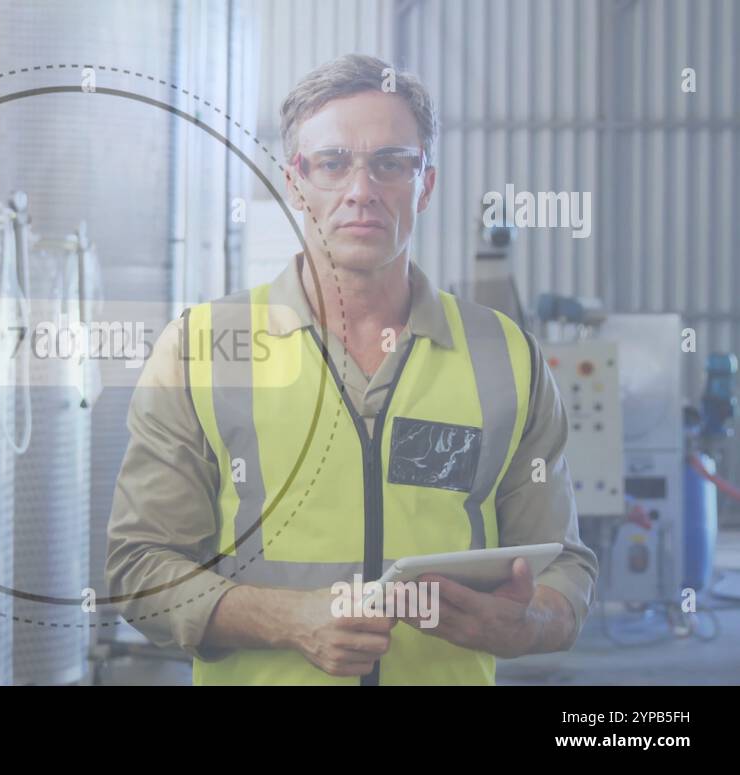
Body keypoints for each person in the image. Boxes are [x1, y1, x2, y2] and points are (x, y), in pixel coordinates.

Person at [104, 53, 598, 685]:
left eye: (391, 163)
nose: (361, 190)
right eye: (333, 163)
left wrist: (529, 625)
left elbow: (566, 567)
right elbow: (139, 570)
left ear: (425, 183)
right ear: (295, 182)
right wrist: (289, 621)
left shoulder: (507, 357)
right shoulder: (203, 348)